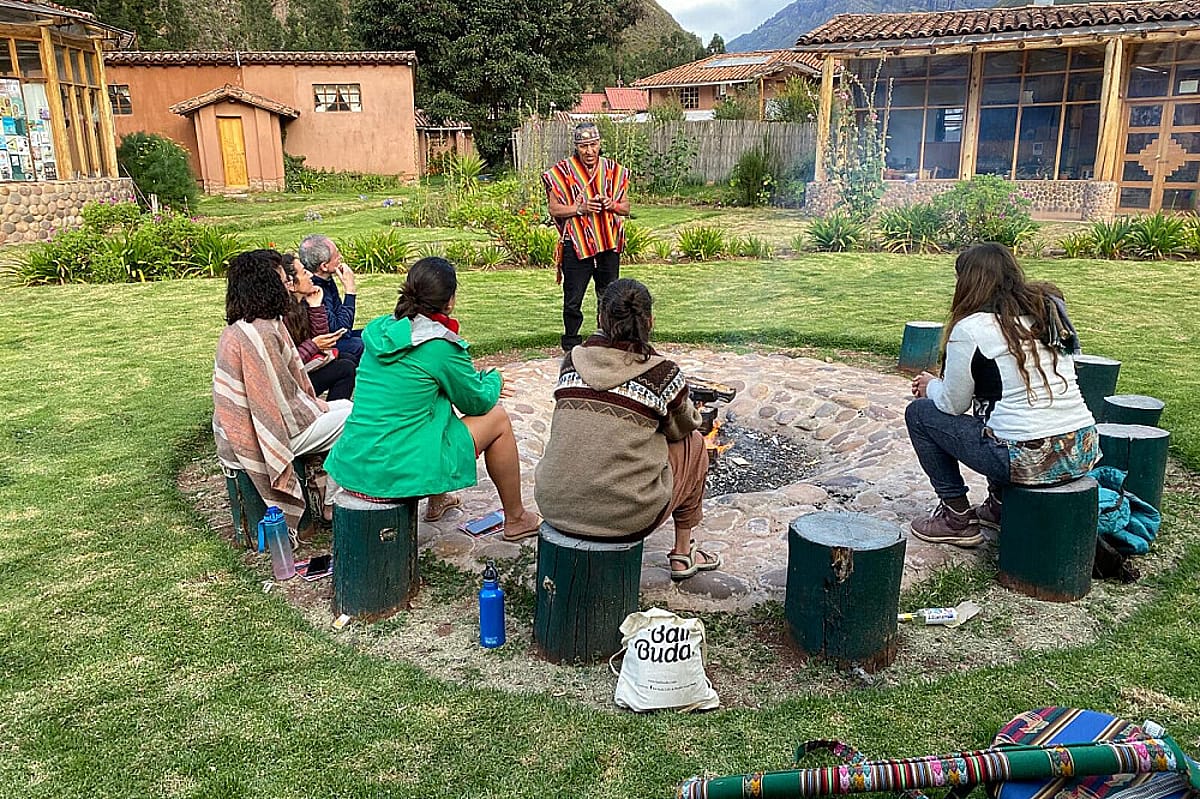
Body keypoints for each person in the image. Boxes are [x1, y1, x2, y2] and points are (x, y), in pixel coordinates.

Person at [324, 257, 541, 538]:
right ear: (449, 301)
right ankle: (516, 518)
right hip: (393, 471)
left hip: (355, 464)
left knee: (426, 406)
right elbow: (476, 403)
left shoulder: (379, 331)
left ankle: (439, 498)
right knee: (496, 419)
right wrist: (494, 380)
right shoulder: (440, 346)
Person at [906, 242, 1099, 547]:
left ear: (968, 282)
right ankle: (997, 506)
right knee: (1001, 408)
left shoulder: (971, 329)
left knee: (920, 415)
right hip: (1082, 448)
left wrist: (929, 386)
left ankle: (956, 518)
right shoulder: (1045, 312)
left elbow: (952, 405)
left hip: (1031, 458)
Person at [534, 278, 721, 580]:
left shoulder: (572, 361)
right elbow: (684, 428)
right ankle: (683, 553)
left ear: (600, 318)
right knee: (695, 444)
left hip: (555, 507)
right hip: (625, 519)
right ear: (650, 321)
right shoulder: (662, 372)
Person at [213, 249, 352, 531]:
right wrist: (316, 408)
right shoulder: (260, 333)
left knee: (346, 407)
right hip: (262, 438)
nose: (288, 283)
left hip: (261, 429)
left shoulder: (251, 326)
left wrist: (316, 407)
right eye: (282, 279)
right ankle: (331, 505)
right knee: (356, 419)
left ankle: (329, 493)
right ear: (265, 285)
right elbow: (277, 404)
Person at [543, 122, 630, 352]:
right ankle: (571, 345)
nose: (589, 151)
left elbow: (626, 207)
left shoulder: (614, 171)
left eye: (593, 145)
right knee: (573, 299)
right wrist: (579, 209)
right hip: (577, 243)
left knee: (609, 295)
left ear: (600, 144)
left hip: (607, 241)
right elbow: (554, 209)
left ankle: (608, 340)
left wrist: (612, 204)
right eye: (583, 146)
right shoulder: (561, 173)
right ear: (576, 147)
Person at [280, 253, 356, 401]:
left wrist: (315, 306)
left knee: (348, 357)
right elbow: (287, 362)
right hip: (289, 381)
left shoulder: (303, 304)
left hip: (303, 366)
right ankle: (333, 415)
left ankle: (332, 410)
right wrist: (350, 290)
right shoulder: (284, 316)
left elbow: (324, 342)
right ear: (290, 284)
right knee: (346, 367)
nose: (310, 275)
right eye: (304, 272)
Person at [298, 234, 363, 363]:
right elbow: (341, 331)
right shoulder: (315, 290)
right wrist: (350, 291)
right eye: (336, 254)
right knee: (359, 345)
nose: (340, 257)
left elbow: (342, 322)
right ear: (324, 266)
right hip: (321, 344)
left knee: (374, 332)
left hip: (335, 337)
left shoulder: (326, 280)